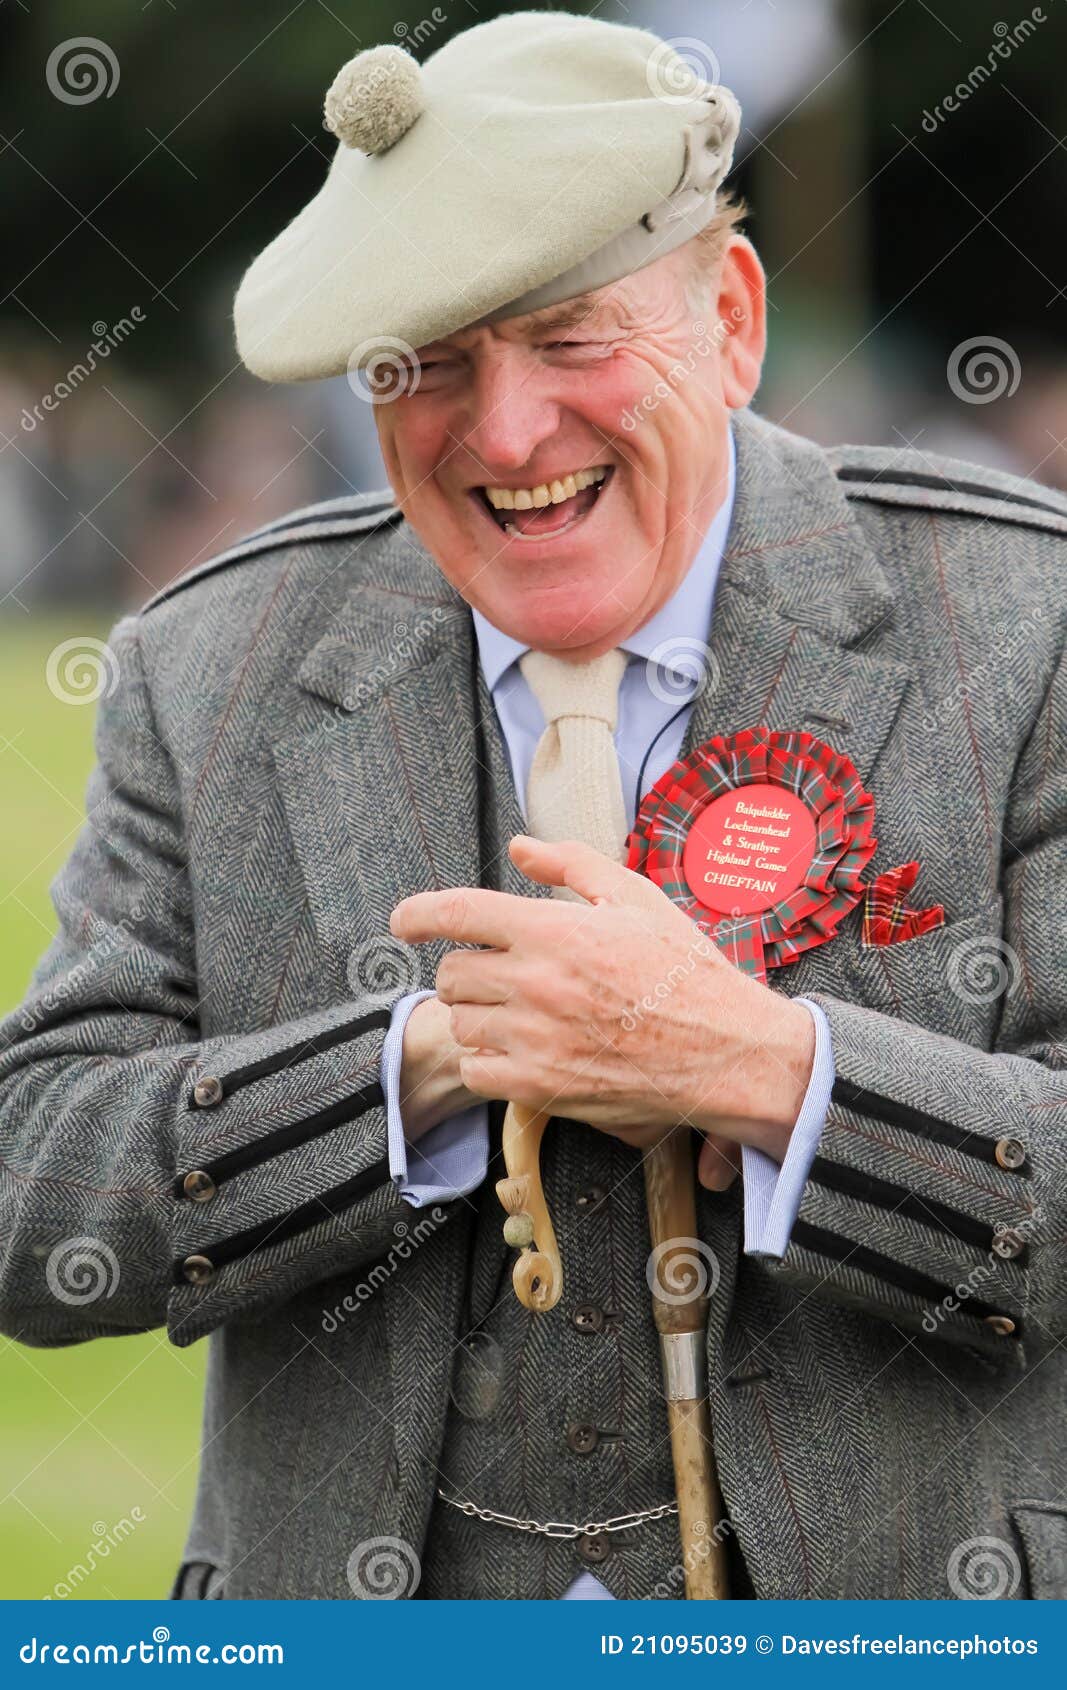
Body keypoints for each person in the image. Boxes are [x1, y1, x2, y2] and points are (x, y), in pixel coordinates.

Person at [1, 11, 1065, 1602]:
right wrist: (426, 1063)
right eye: (428, 363)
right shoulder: (200, 663)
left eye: (571, 339)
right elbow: (32, 1193)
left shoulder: (1028, 619)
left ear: (732, 320)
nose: (504, 433)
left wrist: (765, 1069)